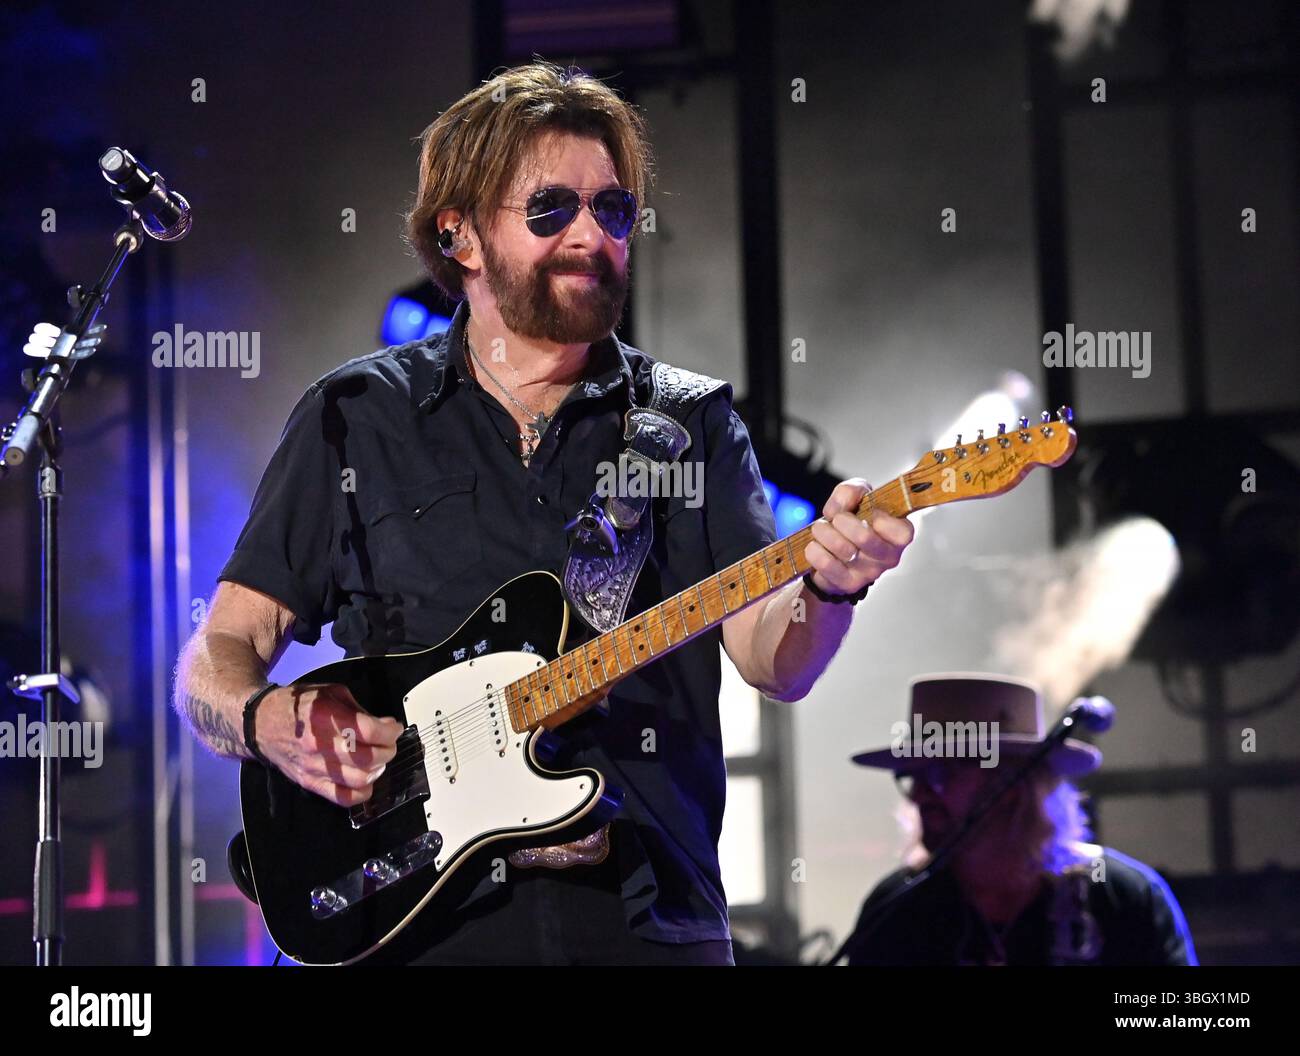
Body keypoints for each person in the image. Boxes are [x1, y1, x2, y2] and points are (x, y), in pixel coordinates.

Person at [173, 60, 916, 966]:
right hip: (411, 930)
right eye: (550, 208)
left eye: (613, 210)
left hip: (644, 922)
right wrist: (265, 724)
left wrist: (830, 591)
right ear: (461, 234)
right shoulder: (353, 417)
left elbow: (775, 658)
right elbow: (220, 654)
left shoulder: (685, 422)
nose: (589, 236)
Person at [843, 673, 1197, 966]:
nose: (919, 795)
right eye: (913, 777)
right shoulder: (897, 911)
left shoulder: (1123, 898)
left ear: (1013, 786)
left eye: (938, 775)